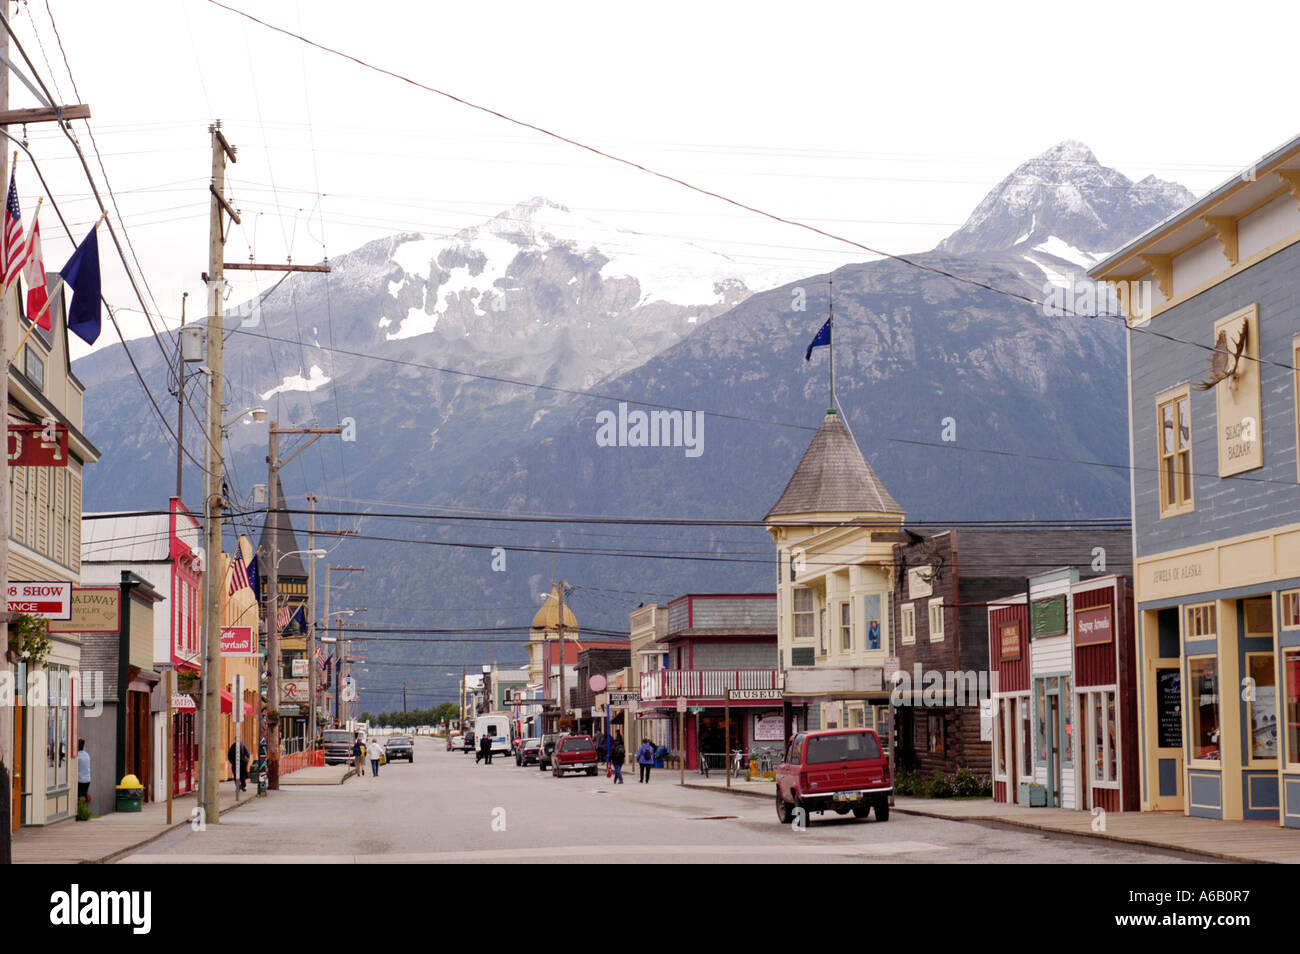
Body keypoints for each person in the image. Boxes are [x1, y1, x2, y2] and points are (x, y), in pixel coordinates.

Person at [76, 739, 91, 806]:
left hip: (80, 779)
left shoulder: (77, 756)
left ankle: (80, 809)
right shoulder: (87, 755)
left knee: (78, 796)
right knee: (84, 795)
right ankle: (85, 808)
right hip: (87, 779)